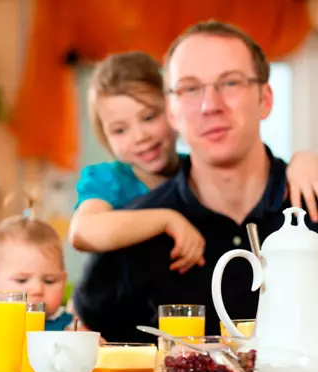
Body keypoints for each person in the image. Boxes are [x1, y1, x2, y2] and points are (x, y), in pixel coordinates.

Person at [72, 20, 318, 342]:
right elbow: (88, 345)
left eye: (230, 83)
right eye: (190, 88)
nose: (210, 105)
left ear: (265, 99)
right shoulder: (137, 228)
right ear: (172, 112)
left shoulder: (310, 192)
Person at [70, 51, 318, 272]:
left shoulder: (200, 170)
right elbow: (83, 232)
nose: (139, 136)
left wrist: (302, 160)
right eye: (120, 130)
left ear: (174, 112)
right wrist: (166, 220)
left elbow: (257, 177)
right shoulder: (108, 179)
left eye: (148, 117)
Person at [0, 197, 73, 331]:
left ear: (64, 281)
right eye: (22, 280)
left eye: (49, 281)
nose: (37, 290)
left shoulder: (70, 327)